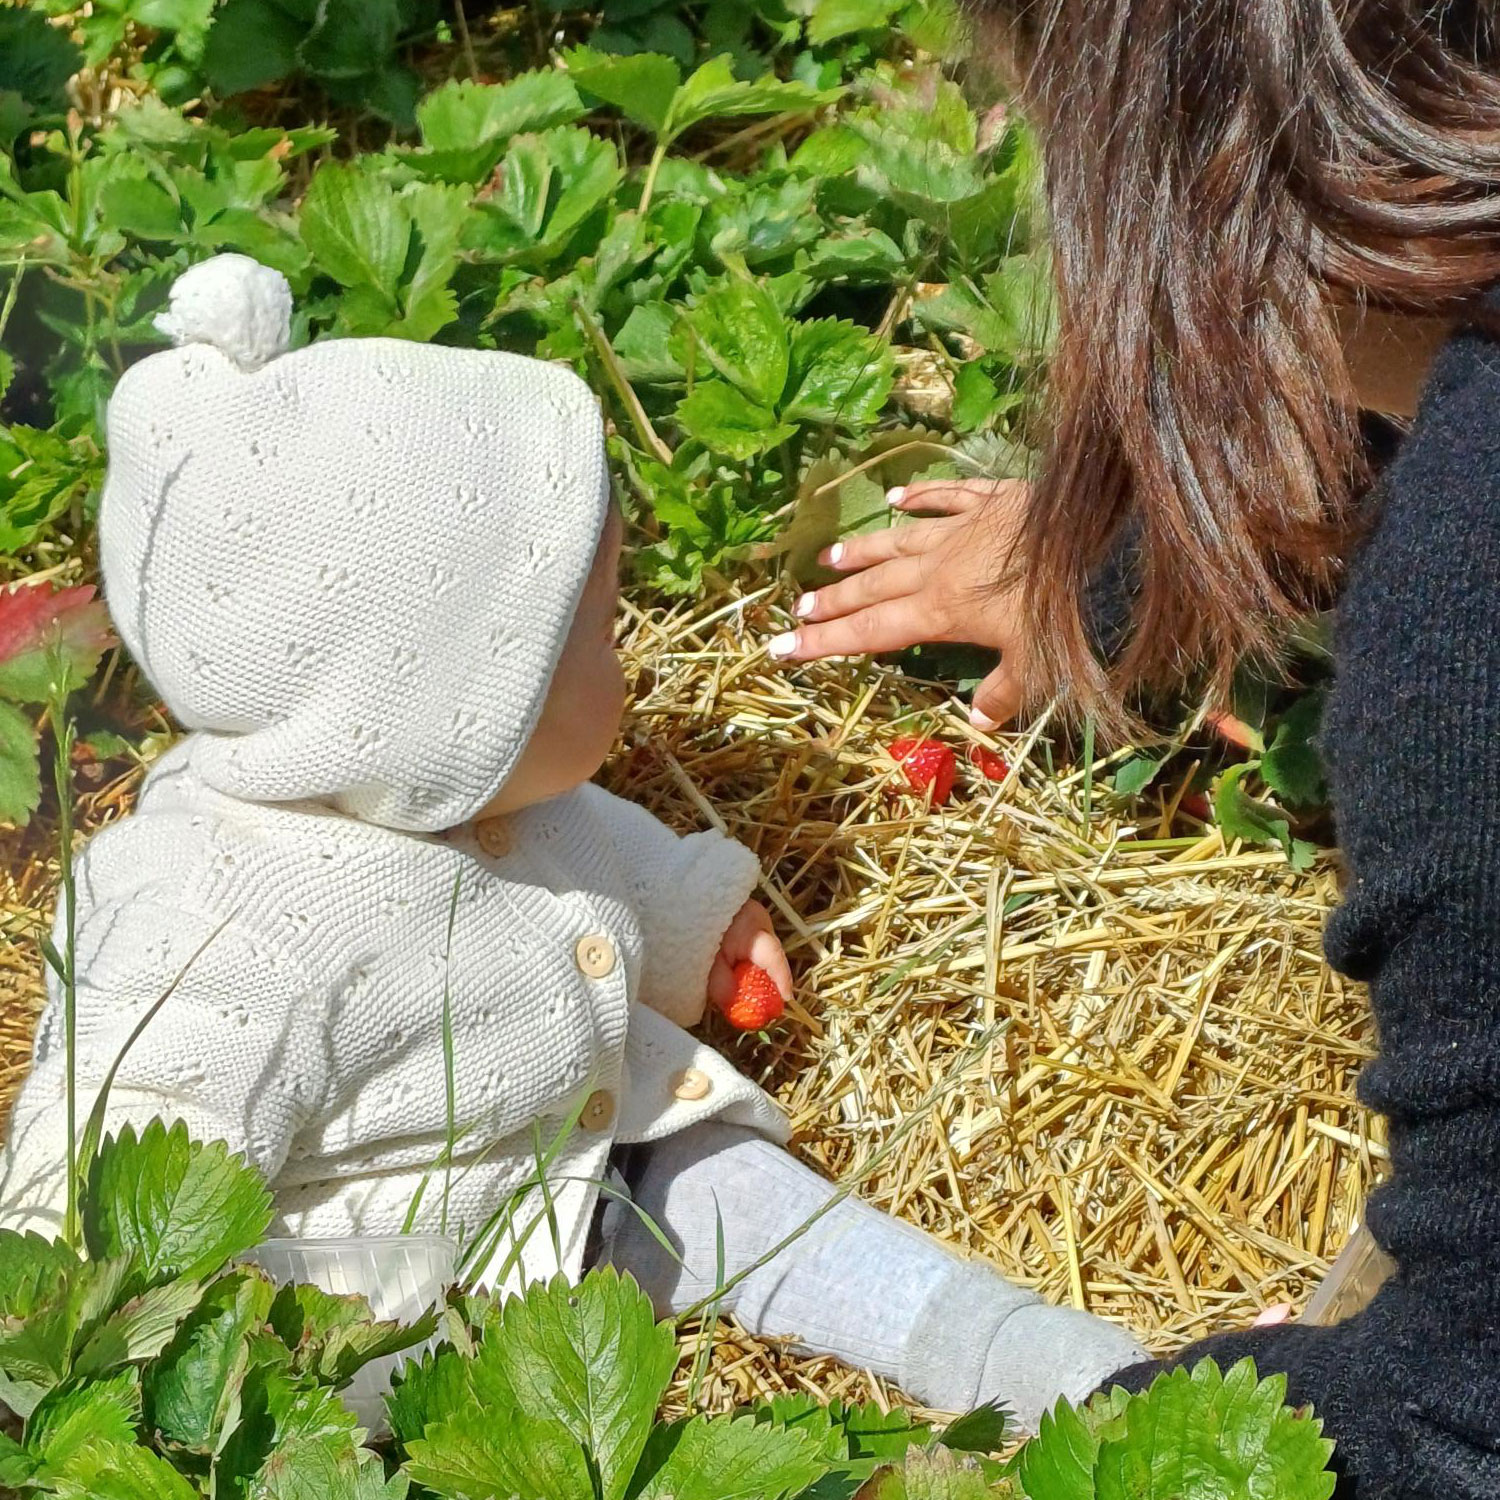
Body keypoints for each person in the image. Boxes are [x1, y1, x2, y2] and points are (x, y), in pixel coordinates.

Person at [0, 254, 1146, 1432]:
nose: (631, 660)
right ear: (453, 707)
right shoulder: (214, 930)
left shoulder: (460, 787)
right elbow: (88, 1199)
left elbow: (583, 845)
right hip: (393, 1337)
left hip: (606, 1164)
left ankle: (1055, 1369)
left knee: (795, 1225)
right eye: (600, 635)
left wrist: (691, 922)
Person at [772, 3, 1500, 1495]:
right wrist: (1128, 557)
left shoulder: (1466, 640)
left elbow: (1470, 1405)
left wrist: (1208, 1419)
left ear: (1167, 149)